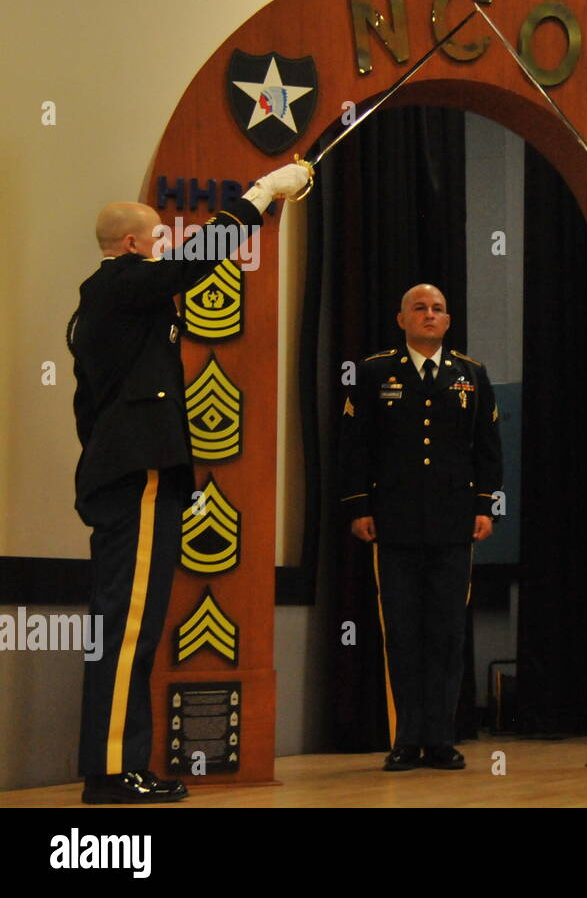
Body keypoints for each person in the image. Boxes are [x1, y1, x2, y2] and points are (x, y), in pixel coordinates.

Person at [70, 162, 310, 804]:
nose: (168, 250)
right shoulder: (121, 284)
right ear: (131, 247)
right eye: (158, 242)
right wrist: (259, 194)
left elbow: (86, 409)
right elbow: (200, 259)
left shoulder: (115, 305)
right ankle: (114, 772)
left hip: (127, 471)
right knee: (125, 631)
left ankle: (118, 765)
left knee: (131, 629)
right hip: (138, 476)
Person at [339, 284, 502, 771]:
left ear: (447, 321)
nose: (429, 315)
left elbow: (487, 447)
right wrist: (358, 506)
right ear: (402, 318)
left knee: (447, 634)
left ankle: (441, 738)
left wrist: (484, 506)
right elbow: (355, 445)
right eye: (420, 308)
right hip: (394, 523)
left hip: (454, 525)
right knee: (403, 634)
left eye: (437, 309)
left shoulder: (471, 374)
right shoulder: (374, 372)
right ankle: (406, 738)